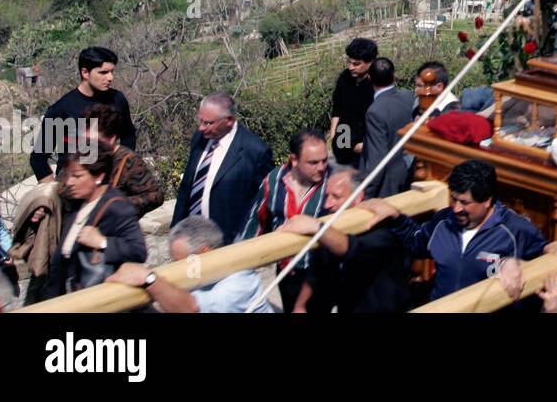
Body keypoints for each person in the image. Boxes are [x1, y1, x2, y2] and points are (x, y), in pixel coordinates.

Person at [361, 159, 549, 302]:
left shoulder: (516, 230)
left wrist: (545, 251)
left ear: (487, 201)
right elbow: (416, 243)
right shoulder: (443, 221)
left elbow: (546, 261)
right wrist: (396, 217)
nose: (456, 208)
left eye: (465, 202)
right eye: (454, 199)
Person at [282, 165, 412, 314]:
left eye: (336, 197)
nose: (327, 204)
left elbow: (350, 248)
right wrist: (300, 306)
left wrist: (316, 227)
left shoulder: (379, 226)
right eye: (327, 196)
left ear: (358, 197)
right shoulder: (332, 224)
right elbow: (316, 270)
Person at [239, 127, 330, 311]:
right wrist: (244, 263)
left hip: (322, 274)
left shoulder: (334, 182)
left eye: (324, 160)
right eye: (313, 162)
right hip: (287, 273)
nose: (321, 167)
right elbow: (257, 221)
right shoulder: (273, 180)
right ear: (294, 159)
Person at [108, 216, 275, 313]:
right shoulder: (197, 275)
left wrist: (149, 279)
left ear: (205, 252)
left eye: (180, 263)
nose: (177, 268)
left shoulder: (240, 282)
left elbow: (190, 308)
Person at [171, 92, 274, 247]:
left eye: (208, 123)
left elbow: (264, 201)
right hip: (190, 239)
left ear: (229, 120)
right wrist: (175, 230)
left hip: (228, 244)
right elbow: (187, 187)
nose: (201, 127)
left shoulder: (255, 151)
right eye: (200, 121)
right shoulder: (200, 138)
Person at [48, 150, 147, 296]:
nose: (69, 182)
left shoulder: (117, 207)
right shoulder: (78, 203)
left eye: (77, 176)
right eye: (68, 175)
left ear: (98, 176)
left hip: (98, 299)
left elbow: (138, 250)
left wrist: (103, 242)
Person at [30, 46, 135, 182]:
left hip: (108, 187)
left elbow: (129, 135)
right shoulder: (61, 109)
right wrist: (52, 192)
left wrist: (122, 168)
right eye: (103, 72)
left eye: (111, 71)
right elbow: (38, 159)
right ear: (85, 73)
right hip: (72, 189)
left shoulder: (117, 99)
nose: (110, 77)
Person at [81, 104, 164, 217]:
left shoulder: (128, 160)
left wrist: (116, 204)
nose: (88, 145)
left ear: (111, 139)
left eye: (94, 140)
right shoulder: (81, 155)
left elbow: (155, 196)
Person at [359, 57, 418, 197]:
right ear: (394, 76)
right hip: (412, 175)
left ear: (369, 78)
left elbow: (377, 158)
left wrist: (366, 194)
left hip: (389, 186)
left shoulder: (375, 111)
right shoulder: (409, 96)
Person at [329, 37, 377, 165]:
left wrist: (363, 145)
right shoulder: (345, 78)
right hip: (342, 141)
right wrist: (334, 136)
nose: (351, 67)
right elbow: (337, 108)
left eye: (356, 64)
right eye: (349, 62)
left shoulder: (377, 85)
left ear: (370, 62)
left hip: (364, 149)